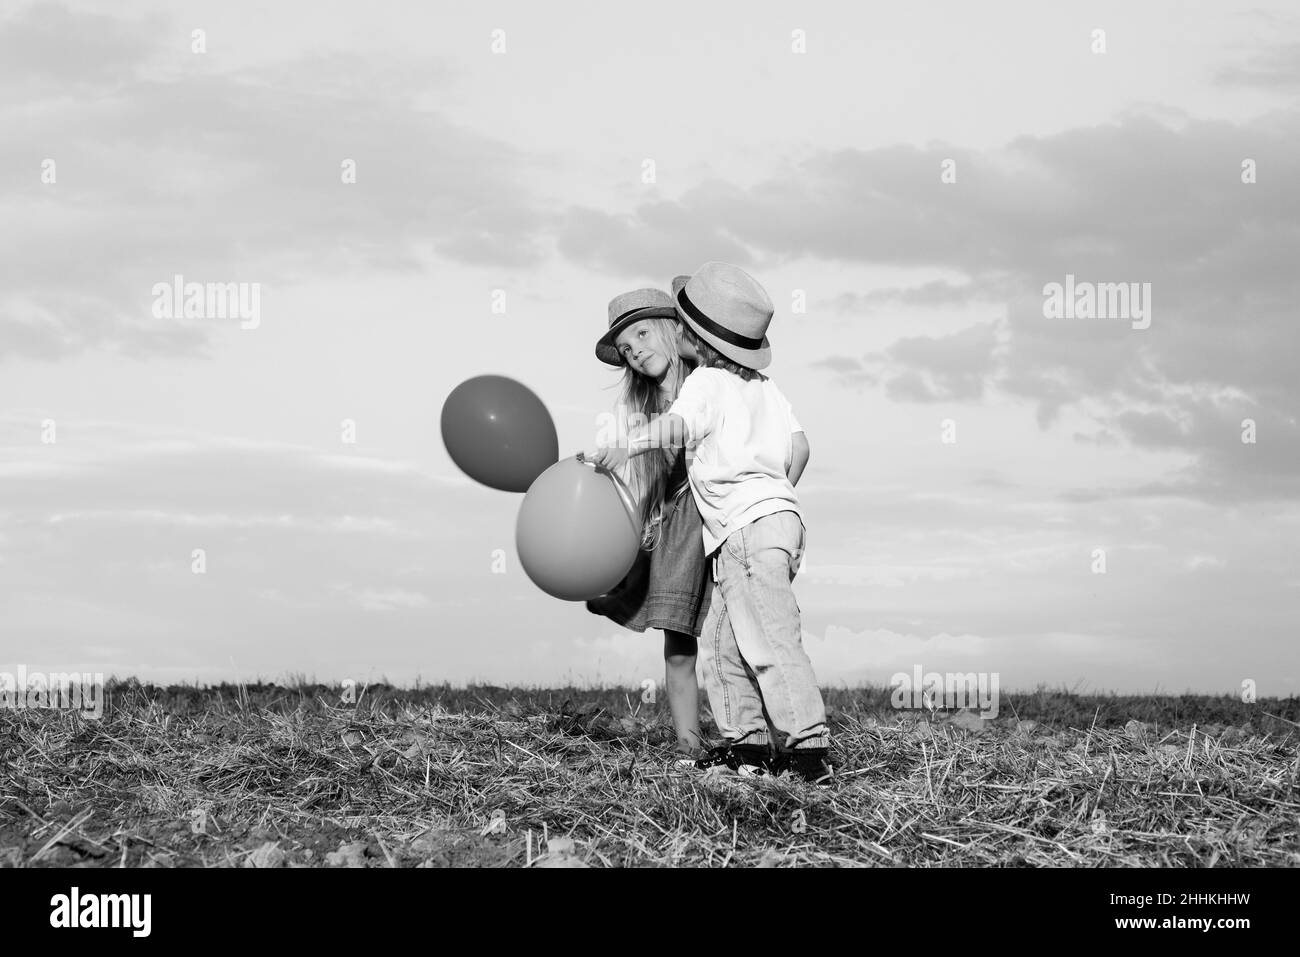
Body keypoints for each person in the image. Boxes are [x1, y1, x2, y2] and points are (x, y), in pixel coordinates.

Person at [586, 263, 832, 784]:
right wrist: (775, 495)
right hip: (772, 521)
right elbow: (801, 447)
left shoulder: (706, 383)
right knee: (723, 639)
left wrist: (626, 444)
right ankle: (746, 746)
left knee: (766, 641)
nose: (636, 350)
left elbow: (677, 426)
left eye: (654, 330)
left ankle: (807, 749)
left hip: (744, 527)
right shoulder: (765, 387)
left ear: (687, 332)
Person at [586, 286, 714, 758]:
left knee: (737, 641)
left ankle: (757, 740)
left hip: (718, 517)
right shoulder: (641, 414)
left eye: (641, 333)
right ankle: (691, 750)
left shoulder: (709, 384)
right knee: (678, 647)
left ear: (671, 329)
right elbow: (646, 492)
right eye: (624, 348)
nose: (634, 349)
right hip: (676, 526)